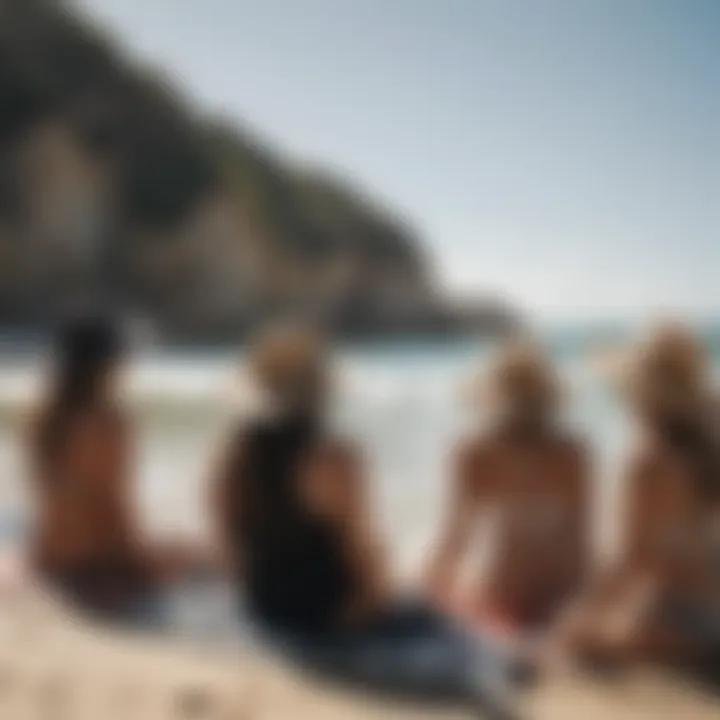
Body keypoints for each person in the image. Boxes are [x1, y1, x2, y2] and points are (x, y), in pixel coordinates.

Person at [210, 323, 526, 712]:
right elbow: (363, 550)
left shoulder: (233, 453)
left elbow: (227, 543)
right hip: (332, 615)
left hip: (264, 605)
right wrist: (380, 604)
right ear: (321, 394)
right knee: (452, 629)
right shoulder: (334, 456)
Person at [565, 323, 720, 666]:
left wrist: (578, 617)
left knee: (580, 643)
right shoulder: (709, 449)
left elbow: (629, 559)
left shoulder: (646, 462)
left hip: (676, 619)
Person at [27, 313, 198, 619]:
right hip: (93, 564)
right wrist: (148, 560)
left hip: (48, 554)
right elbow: (113, 511)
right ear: (107, 363)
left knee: (184, 552)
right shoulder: (106, 423)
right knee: (198, 559)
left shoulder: (46, 418)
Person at [427, 340, 591, 638]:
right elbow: (580, 542)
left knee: (437, 603)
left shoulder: (476, 453)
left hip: (501, 596)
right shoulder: (573, 453)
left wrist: (427, 588)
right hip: (560, 599)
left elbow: (455, 539)